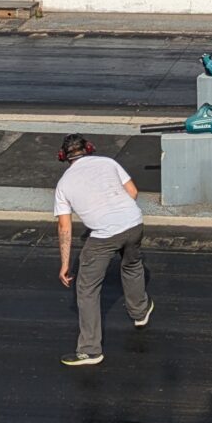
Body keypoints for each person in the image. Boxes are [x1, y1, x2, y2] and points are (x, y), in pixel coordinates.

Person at [53, 133, 153, 367]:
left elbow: (64, 226)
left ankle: (90, 350)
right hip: (134, 223)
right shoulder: (109, 162)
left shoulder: (64, 183)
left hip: (104, 236)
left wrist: (65, 264)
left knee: (87, 289)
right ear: (89, 148)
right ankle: (140, 312)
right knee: (131, 265)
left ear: (63, 156)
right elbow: (133, 192)